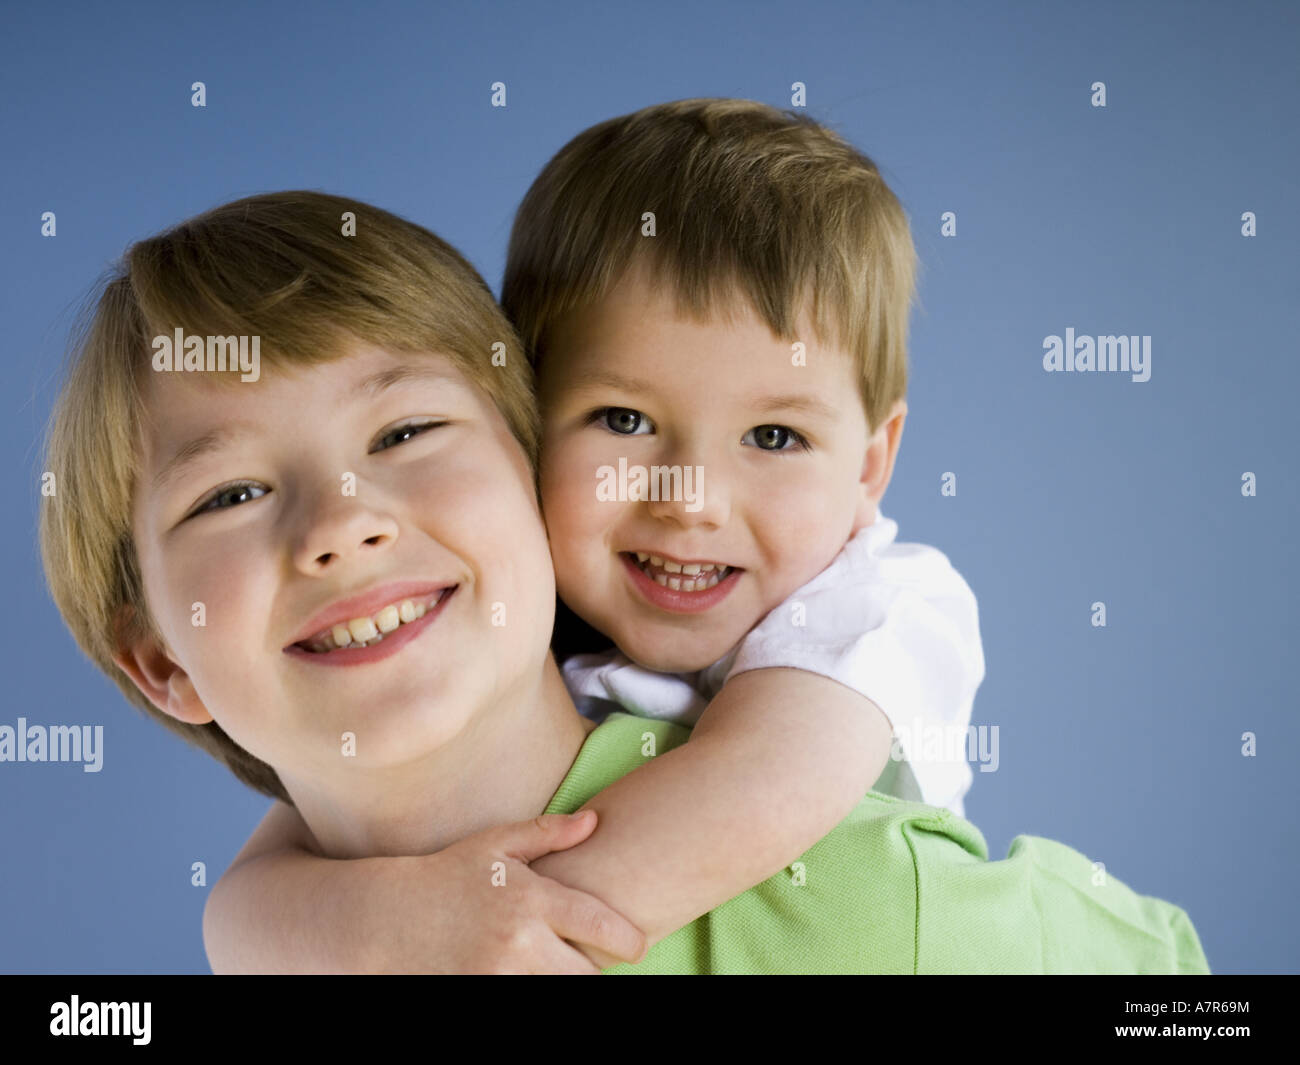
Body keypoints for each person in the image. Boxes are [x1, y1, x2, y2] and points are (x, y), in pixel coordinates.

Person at [38, 189, 1208, 974]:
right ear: (158, 663)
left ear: (534, 480)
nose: (342, 526)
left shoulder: (847, 895)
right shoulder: (298, 937)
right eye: (229, 495)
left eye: (405, 434)